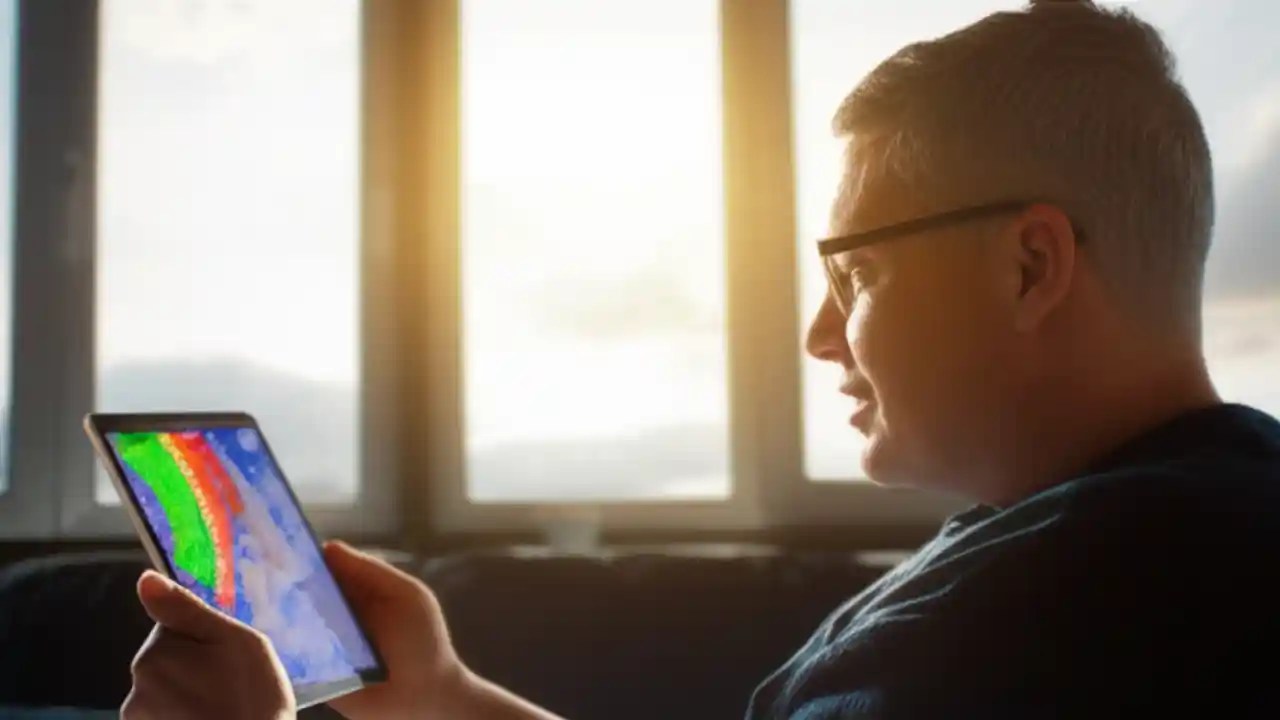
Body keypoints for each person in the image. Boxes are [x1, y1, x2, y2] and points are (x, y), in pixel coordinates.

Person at [121, 1, 1280, 718]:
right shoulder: (1154, 521)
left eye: (855, 275)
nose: (822, 336)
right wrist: (441, 697)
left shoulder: (1081, 615)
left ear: (1029, 265)